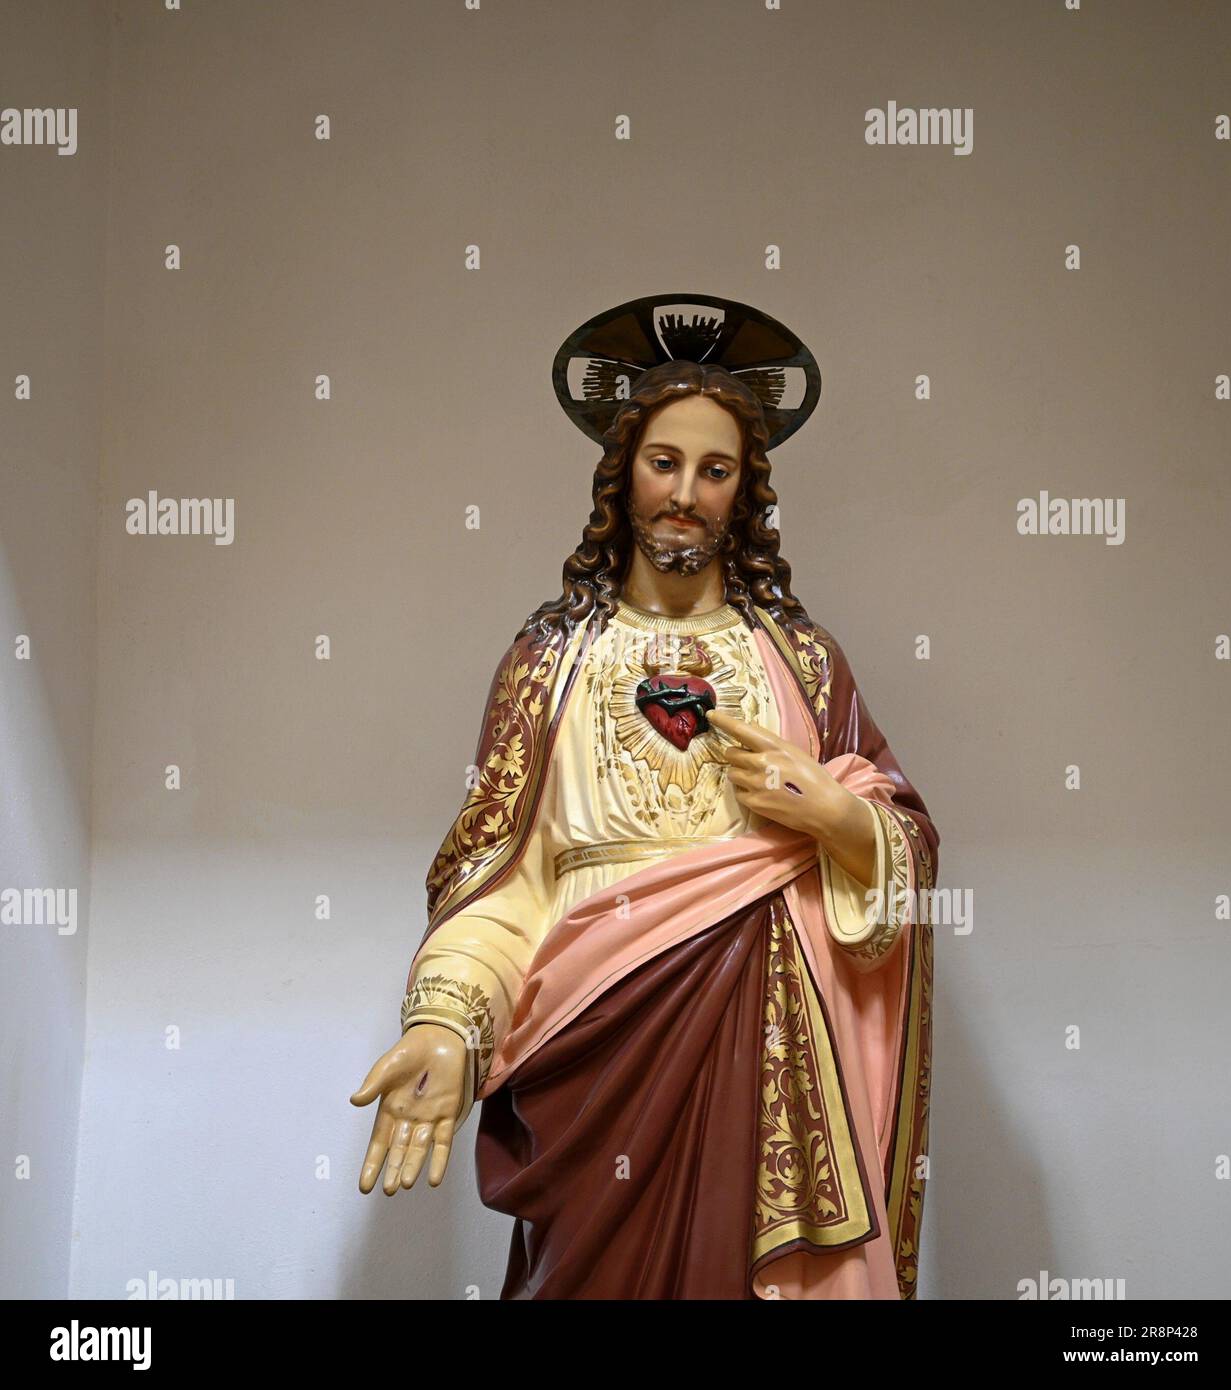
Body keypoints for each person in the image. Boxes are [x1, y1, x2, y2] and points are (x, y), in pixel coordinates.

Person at [352, 300, 938, 1300]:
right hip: (597, 1063)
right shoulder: (551, 664)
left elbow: (908, 852)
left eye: (717, 471)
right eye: (664, 462)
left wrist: (840, 822)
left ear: (745, 491)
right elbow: (503, 885)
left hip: (764, 1064)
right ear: (622, 474)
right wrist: (446, 1023)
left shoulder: (801, 662)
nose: (686, 494)